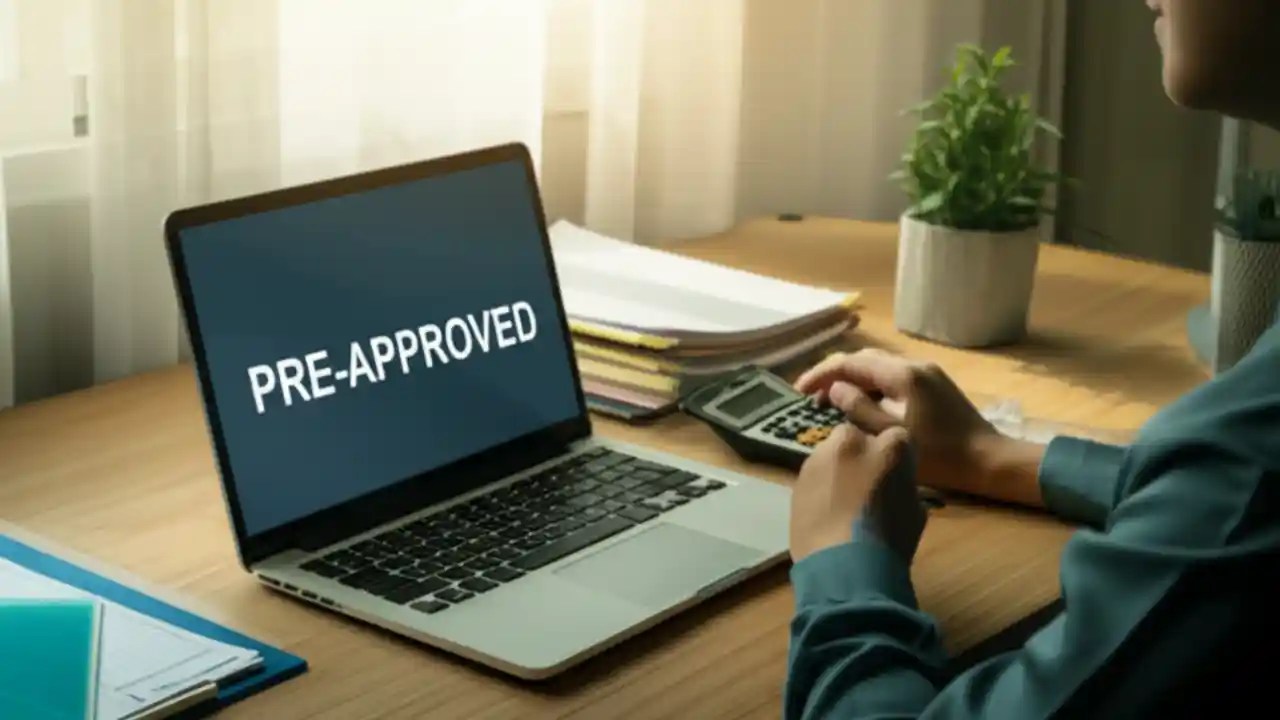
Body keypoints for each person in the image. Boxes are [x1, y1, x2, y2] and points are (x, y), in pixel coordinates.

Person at [783, 1, 1280, 718]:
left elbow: (1240, 496)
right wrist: (993, 455)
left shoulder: (1253, 451)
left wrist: (842, 561)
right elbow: (1224, 514)